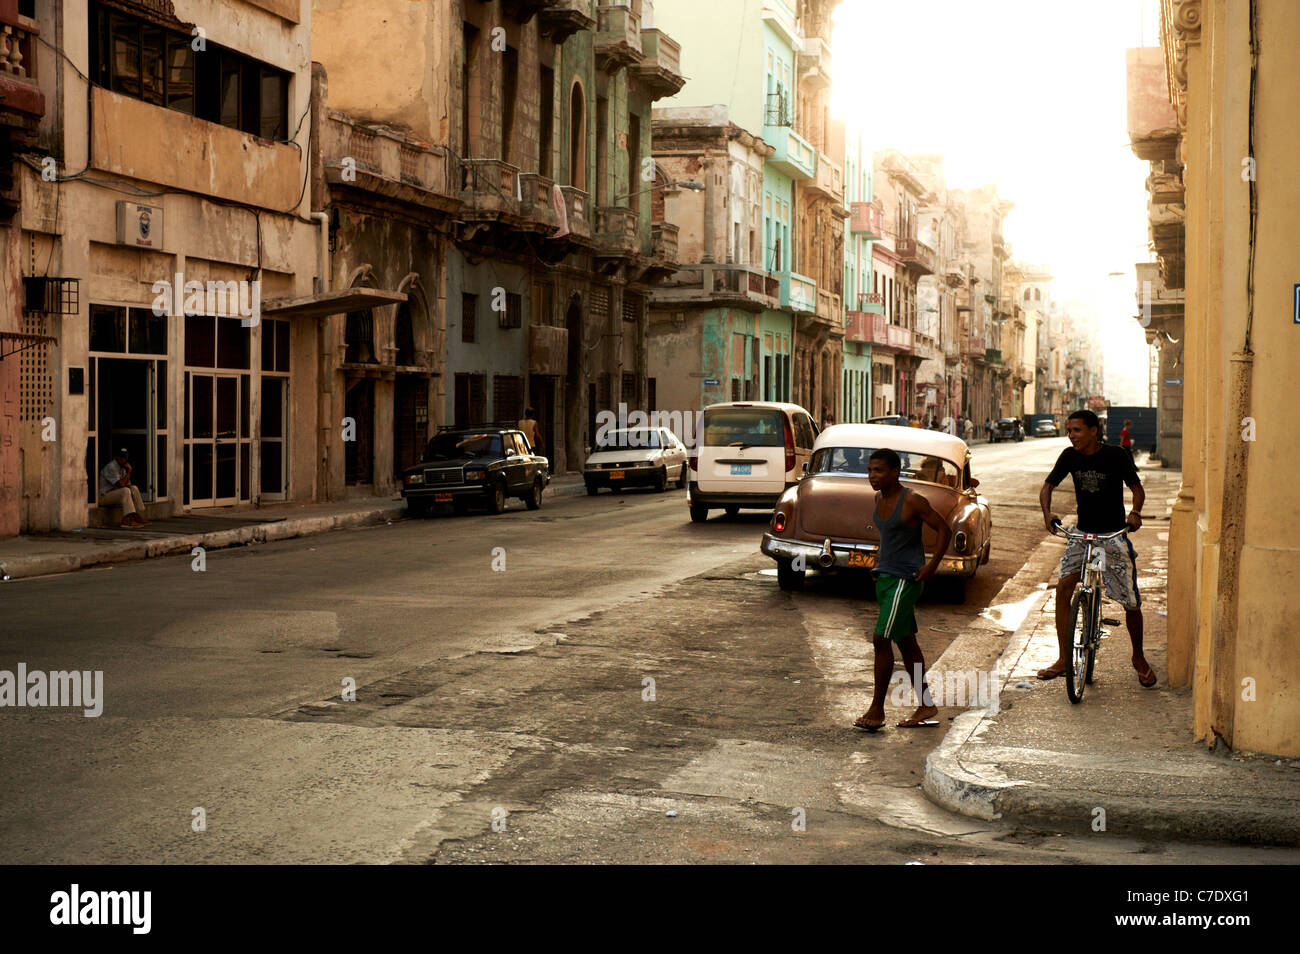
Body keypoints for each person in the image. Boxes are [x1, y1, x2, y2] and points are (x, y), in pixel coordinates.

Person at [1037, 409, 1154, 687]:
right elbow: (1047, 486)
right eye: (1069, 431)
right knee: (1064, 587)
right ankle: (1064, 659)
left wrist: (1135, 512)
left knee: (1130, 600)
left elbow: (1137, 488)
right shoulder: (1069, 456)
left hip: (1112, 535)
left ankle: (1138, 657)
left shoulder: (1116, 455)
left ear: (1093, 430)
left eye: (1076, 430)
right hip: (1082, 534)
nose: (1071, 436)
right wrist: (1047, 514)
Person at [854, 448, 953, 732]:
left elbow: (943, 529)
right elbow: (889, 537)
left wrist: (931, 567)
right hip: (886, 580)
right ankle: (926, 704)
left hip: (905, 581)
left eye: (879, 470)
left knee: (880, 639)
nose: (872, 476)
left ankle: (877, 710)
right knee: (907, 643)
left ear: (895, 472)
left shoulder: (912, 501)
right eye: (870, 470)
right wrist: (878, 563)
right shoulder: (878, 498)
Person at [99, 448, 150, 527]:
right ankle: (127, 520)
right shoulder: (111, 467)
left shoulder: (122, 467)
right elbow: (121, 485)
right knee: (125, 491)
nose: (124, 459)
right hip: (104, 497)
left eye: (125, 457)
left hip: (115, 494)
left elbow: (128, 484)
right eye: (121, 457)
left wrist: (131, 490)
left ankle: (136, 516)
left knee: (134, 488)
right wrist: (129, 471)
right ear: (116, 457)